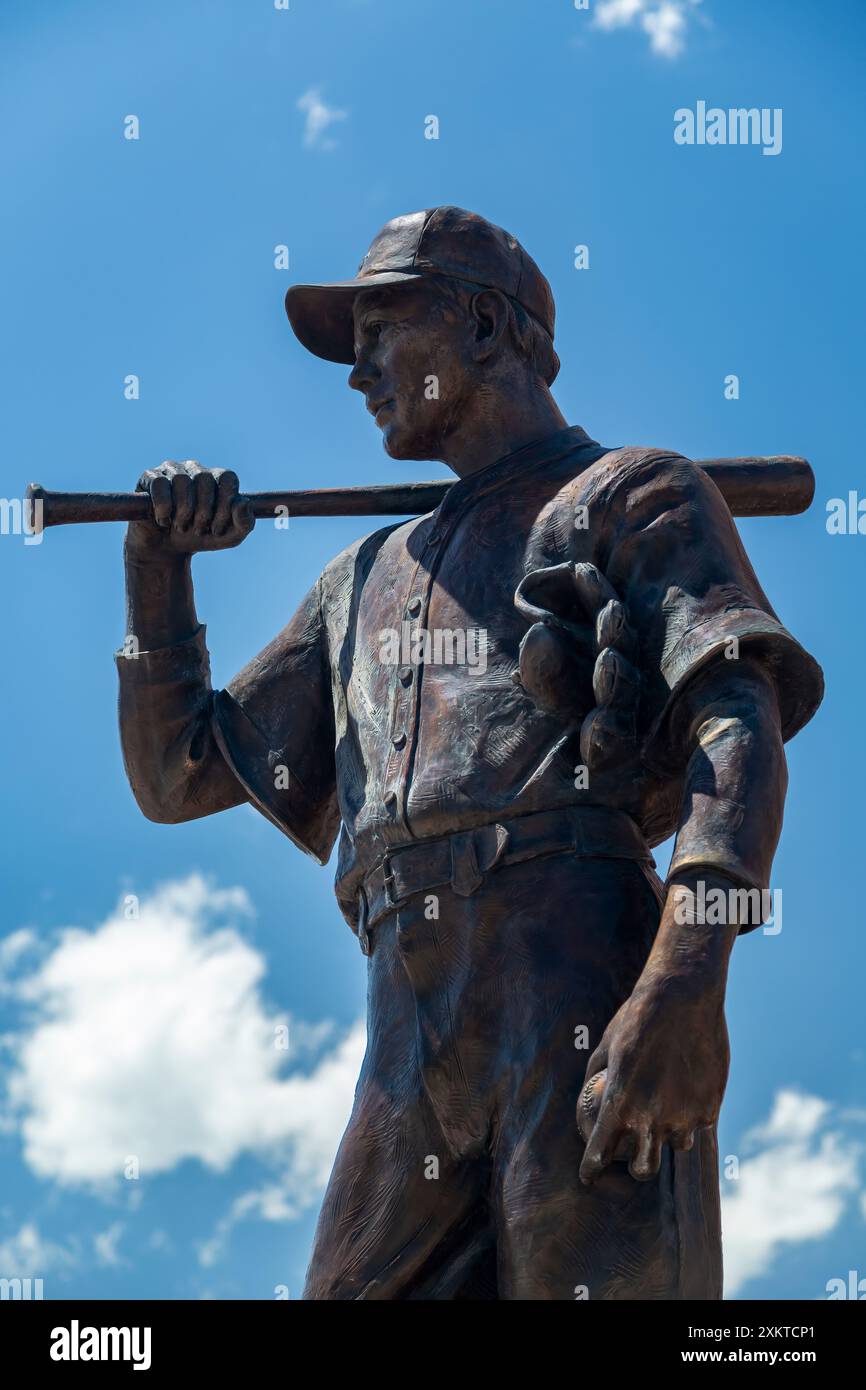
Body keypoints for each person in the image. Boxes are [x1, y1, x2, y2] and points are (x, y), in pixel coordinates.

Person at [116, 206, 823, 1299]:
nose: (359, 376)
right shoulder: (357, 581)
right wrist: (156, 570)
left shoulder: (630, 494)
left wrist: (687, 982)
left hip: (575, 974)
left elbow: (736, 728)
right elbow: (175, 777)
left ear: (485, 325)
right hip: (406, 1022)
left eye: (381, 334)